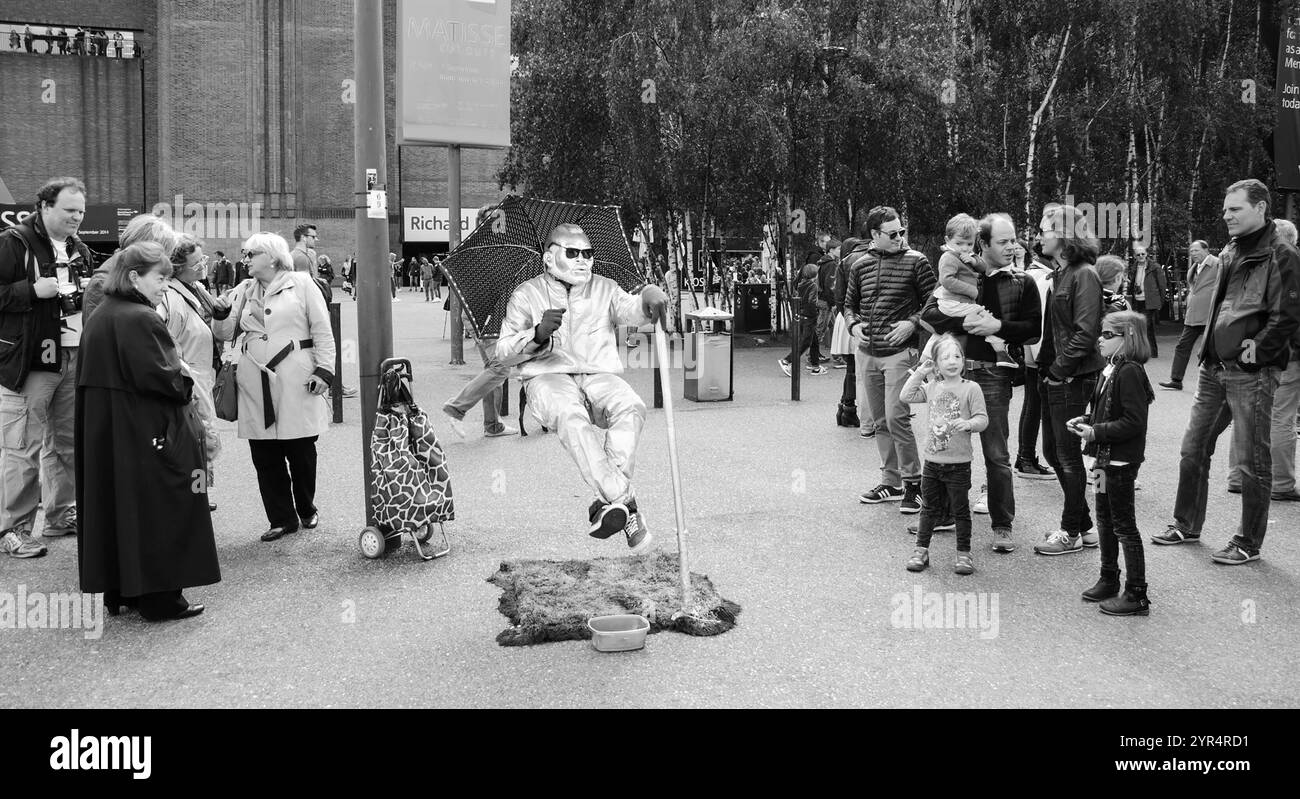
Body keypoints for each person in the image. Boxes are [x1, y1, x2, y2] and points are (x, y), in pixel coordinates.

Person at [1151, 179, 1300, 564]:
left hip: (1252, 372)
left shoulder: (1281, 253)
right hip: (1214, 368)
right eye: (1224, 209)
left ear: (1261, 207)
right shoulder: (1232, 249)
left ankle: (1248, 542)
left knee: (1252, 461)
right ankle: (1186, 524)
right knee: (1192, 449)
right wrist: (1208, 347)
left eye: (1235, 208)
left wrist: (1258, 349)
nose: (1225, 215)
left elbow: (1288, 314)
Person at [496, 223, 668, 552]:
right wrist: (536, 334)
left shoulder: (605, 287)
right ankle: (626, 503)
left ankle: (608, 502)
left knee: (632, 405)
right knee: (571, 417)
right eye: (572, 253)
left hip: (598, 375)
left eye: (588, 254)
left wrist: (646, 297)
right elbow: (503, 354)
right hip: (547, 378)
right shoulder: (526, 294)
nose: (583, 260)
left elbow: (630, 310)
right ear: (549, 258)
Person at [76, 241, 218, 620]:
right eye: (160, 279)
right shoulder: (140, 318)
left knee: (120, 507)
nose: (164, 287)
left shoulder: (105, 314)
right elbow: (166, 380)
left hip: (113, 432)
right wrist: (189, 387)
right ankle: (161, 598)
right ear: (135, 276)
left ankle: (124, 590)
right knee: (163, 506)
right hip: (148, 429)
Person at [917, 213, 1042, 552]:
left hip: (991, 374)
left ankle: (1002, 525)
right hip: (952, 376)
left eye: (1013, 240)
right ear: (982, 245)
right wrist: (963, 309)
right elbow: (928, 314)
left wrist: (997, 327)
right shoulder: (961, 273)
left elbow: (1033, 329)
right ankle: (941, 514)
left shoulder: (1022, 281)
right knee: (943, 446)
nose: (1012, 247)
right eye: (1003, 242)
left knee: (996, 453)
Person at [215, 232, 336, 542]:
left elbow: (323, 330)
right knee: (265, 453)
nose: (245, 259)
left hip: (297, 376)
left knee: (301, 451)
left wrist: (324, 371)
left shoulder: (303, 283)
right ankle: (281, 519)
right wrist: (220, 312)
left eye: (251, 254)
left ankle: (306, 507)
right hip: (254, 379)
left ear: (271, 257)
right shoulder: (242, 289)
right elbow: (225, 332)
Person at [0, 177, 96, 559]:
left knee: (67, 442)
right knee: (22, 445)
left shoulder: (80, 249)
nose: (76, 217)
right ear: (44, 206)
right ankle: (13, 529)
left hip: (72, 355)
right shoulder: (14, 243)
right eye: (69, 210)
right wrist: (31, 292)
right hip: (30, 361)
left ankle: (59, 515)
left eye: (81, 212)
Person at [845, 206, 937, 513]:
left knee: (897, 417)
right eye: (892, 233)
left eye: (902, 232)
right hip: (868, 352)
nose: (900, 237)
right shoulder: (860, 265)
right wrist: (853, 325)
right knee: (880, 420)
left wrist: (912, 323)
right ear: (874, 235)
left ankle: (915, 483)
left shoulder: (917, 261)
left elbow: (935, 302)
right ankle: (891, 481)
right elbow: (848, 305)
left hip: (900, 352)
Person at [1070, 309, 1153, 616]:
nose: (1099, 340)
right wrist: (1086, 420)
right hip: (1103, 462)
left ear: (1127, 337)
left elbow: (1133, 421)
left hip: (1118, 463)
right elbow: (1108, 411)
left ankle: (1137, 593)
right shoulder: (1113, 368)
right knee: (1104, 518)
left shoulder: (1129, 370)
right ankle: (1108, 577)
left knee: (1123, 525)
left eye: (1107, 335)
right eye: (1101, 333)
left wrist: (1096, 431)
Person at [1033, 204, 1105, 556]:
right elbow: (1054, 331)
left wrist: (1058, 371)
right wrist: (1046, 371)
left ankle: (1071, 531)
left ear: (1063, 235)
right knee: (1053, 450)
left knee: (1066, 455)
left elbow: (1086, 333)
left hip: (1073, 376)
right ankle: (1087, 527)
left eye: (1045, 229)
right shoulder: (1060, 272)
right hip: (1056, 375)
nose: (1039, 236)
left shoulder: (1084, 274)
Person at [1225, 218, 1300, 502]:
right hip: (1284, 353)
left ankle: (1237, 477)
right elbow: (1290, 317)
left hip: (1248, 349)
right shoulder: (1290, 264)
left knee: (1244, 415)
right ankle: (1280, 482)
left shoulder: (1249, 264)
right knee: (1281, 417)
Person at [901, 334, 988, 575]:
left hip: (959, 463)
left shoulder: (971, 388)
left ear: (964, 360)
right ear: (936, 364)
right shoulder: (931, 387)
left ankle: (963, 553)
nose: (952, 361)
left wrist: (969, 423)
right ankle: (921, 550)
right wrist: (920, 372)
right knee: (928, 508)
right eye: (945, 357)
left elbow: (983, 419)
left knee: (960, 510)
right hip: (932, 462)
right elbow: (905, 396)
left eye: (957, 356)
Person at [157, 235, 230, 510]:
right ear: (177, 267)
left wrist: (221, 313)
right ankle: (194, 494)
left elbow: (212, 322)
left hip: (203, 370)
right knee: (198, 437)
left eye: (204, 259)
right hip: (188, 373)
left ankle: (200, 493)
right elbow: (163, 336)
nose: (203, 266)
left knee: (203, 436)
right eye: (197, 262)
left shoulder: (197, 287)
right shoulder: (168, 296)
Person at [925, 213, 1016, 368]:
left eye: (969, 244)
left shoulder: (973, 259)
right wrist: (971, 293)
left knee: (945, 334)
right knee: (982, 317)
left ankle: (924, 361)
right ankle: (1001, 352)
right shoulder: (949, 257)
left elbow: (982, 267)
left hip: (983, 365)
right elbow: (928, 315)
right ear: (948, 241)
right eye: (960, 243)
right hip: (953, 303)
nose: (965, 248)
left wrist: (973, 260)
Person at [84, 213, 180, 321]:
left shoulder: (132, 274)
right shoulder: (103, 282)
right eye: (161, 254)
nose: (164, 261)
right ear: (144, 247)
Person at [1015, 239, 1055, 480]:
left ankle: (1025, 457)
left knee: (1032, 404)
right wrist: (1040, 356)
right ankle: (1026, 457)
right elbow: (1040, 318)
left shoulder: (1035, 273)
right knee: (1034, 405)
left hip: (1034, 350)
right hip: (1038, 351)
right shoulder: (1042, 277)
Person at [1161, 240, 1221, 390]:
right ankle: (1176, 379)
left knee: (1213, 349)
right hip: (1193, 314)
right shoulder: (1194, 267)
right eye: (1191, 251)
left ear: (1206, 250)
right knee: (1182, 346)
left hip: (1209, 314)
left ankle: (1217, 382)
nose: (1193, 254)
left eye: (1196, 250)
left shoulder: (1217, 263)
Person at [779, 257, 827, 375]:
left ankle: (815, 366)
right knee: (805, 342)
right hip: (809, 317)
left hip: (800, 316)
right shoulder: (813, 286)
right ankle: (787, 360)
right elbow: (811, 302)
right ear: (815, 275)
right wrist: (820, 307)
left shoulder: (800, 284)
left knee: (814, 341)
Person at [1126, 245, 1166, 357]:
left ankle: (1146, 351)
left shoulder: (1155, 267)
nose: (1141, 256)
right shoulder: (1134, 267)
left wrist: (1160, 302)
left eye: (1142, 254)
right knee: (1145, 327)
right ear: (1135, 256)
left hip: (1150, 302)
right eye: (1138, 255)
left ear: (1146, 254)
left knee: (1145, 325)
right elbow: (1132, 283)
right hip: (1137, 301)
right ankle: (1152, 351)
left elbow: (1162, 286)